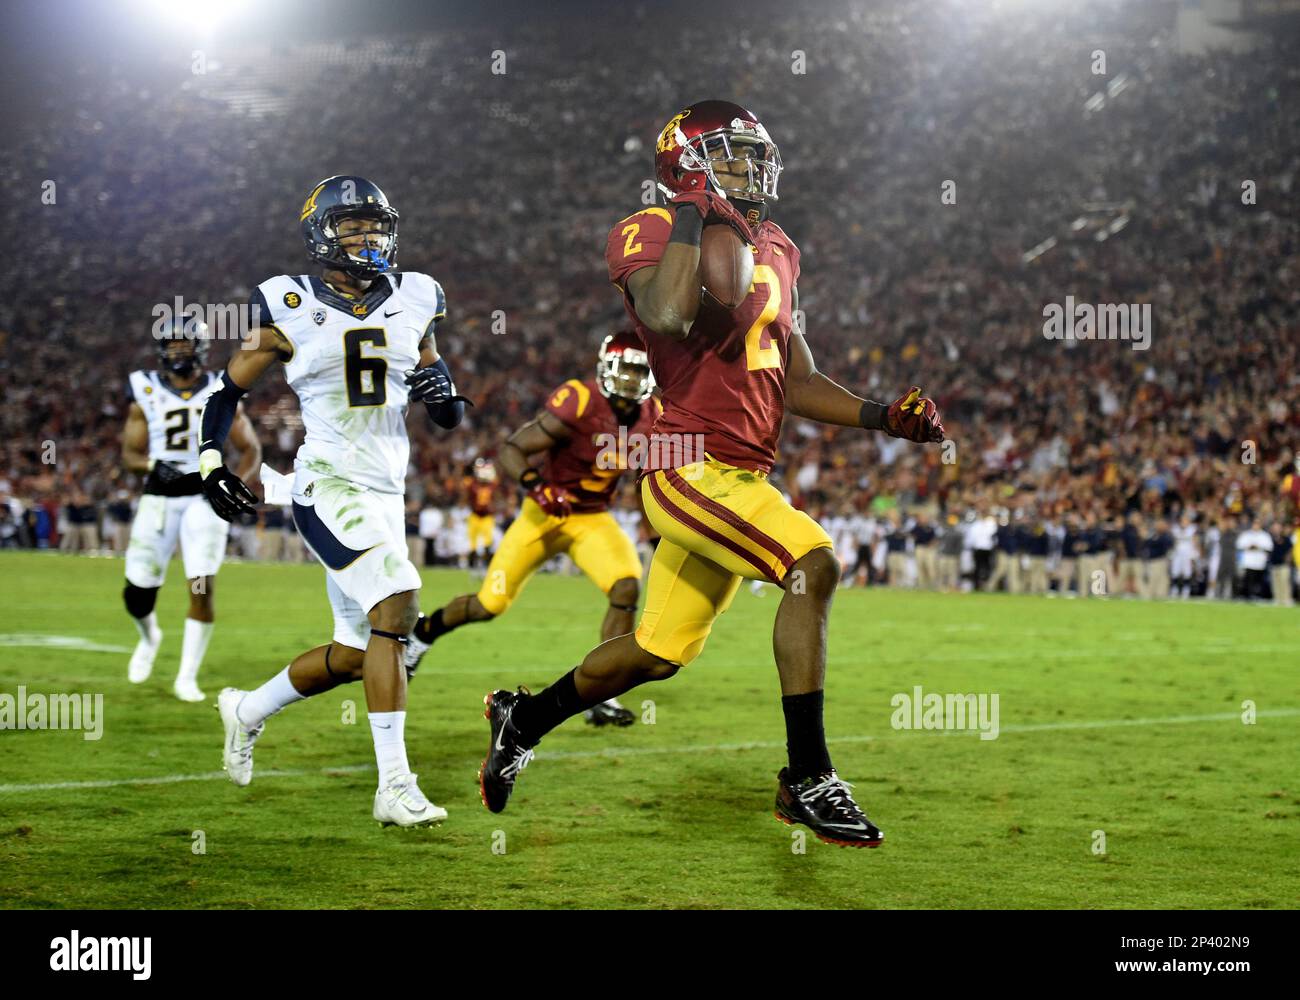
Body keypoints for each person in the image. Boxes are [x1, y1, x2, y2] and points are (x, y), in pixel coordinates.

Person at [474, 101, 945, 847]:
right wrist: (693, 214)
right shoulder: (651, 229)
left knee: (657, 653)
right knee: (810, 565)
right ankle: (808, 776)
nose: (752, 169)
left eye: (756, 156)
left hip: (741, 473)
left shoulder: (780, 246)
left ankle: (521, 718)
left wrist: (886, 417)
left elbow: (794, 375)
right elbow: (666, 315)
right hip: (685, 462)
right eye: (731, 155)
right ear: (686, 164)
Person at [199, 175, 468, 827]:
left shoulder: (418, 296)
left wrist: (445, 400)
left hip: (385, 492)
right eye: (353, 225)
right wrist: (212, 459)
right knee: (398, 603)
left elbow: (446, 406)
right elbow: (223, 393)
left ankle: (245, 709)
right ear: (322, 231)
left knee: (356, 652)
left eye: (377, 224)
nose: (369, 236)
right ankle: (394, 786)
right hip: (326, 483)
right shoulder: (287, 304)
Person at [405, 334, 660, 727]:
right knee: (490, 605)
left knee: (626, 588)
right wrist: (535, 485)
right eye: (625, 368)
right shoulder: (579, 399)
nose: (630, 378)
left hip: (591, 517)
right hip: (543, 516)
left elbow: (647, 480)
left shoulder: (652, 414)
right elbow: (512, 448)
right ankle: (424, 631)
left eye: (639, 370)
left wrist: (657, 533)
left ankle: (602, 695)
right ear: (607, 367)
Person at [120, 315, 261, 702]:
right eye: (172, 345)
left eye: (185, 344)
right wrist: (152, 465)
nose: (179, 351)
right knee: (137, 593)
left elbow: (250, 448)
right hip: (160, 496)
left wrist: (233, 485)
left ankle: (186, 676)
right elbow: (130, 453)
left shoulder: (219, 387)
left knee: (201, 585)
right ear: (161, 351)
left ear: (200, 348)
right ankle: (150, 637)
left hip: (202, 497)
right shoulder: (144, 388)